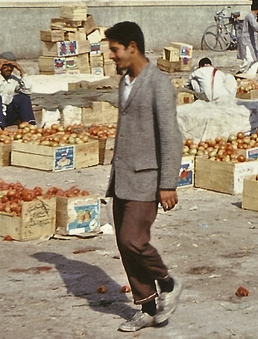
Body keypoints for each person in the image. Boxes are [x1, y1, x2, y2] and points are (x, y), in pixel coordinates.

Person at [104, 21, 183, 332]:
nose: (112, 56)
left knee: (133, 240)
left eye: (115, 50)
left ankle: (168, 283)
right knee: (125, 247)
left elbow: (171, 136)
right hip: (122, 176)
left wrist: (168, 184)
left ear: (132, 47)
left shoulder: (158, 83)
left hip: (147, 178)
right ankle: (147, 307)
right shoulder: (125, 82)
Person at [236, 1, 258, 78]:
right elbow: (254, 26)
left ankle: (249, 75)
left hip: (252, 41)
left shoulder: (253, 16)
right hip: (246, 41)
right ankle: (241, 71)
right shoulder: (250, 16)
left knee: (256, 58)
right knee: (249, 59)